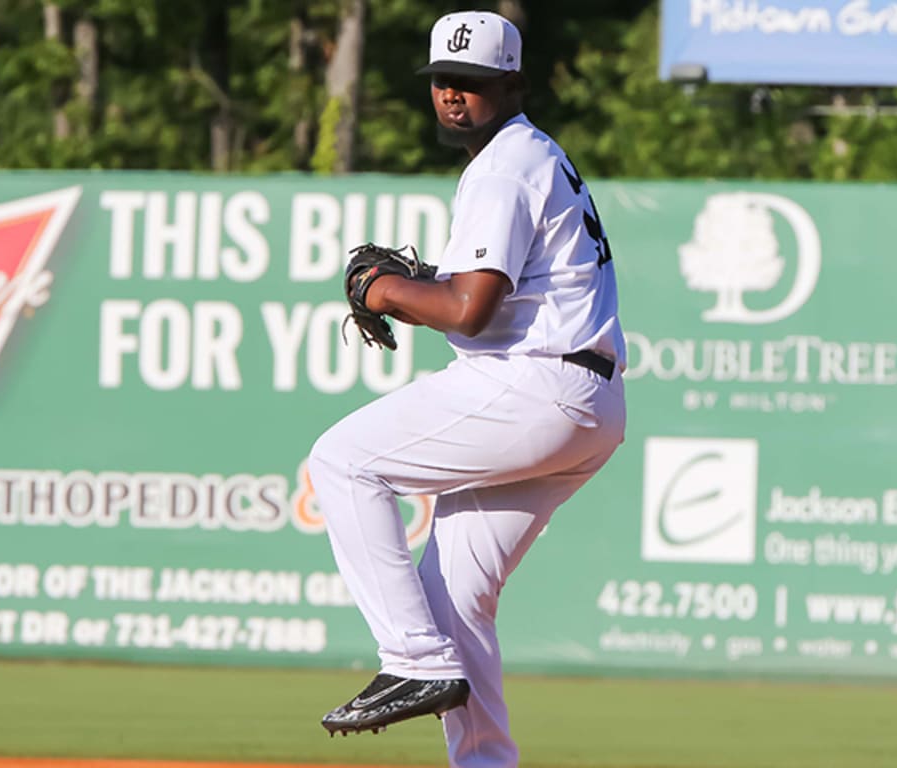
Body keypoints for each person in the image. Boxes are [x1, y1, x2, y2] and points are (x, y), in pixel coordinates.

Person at [308, 9, 626, 767]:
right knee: (454, 596)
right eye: (443, 80)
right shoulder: (533, 156)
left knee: (343, 460)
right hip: (584, 399)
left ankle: (412, 659)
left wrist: (384, 289)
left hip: (536, 384)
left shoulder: (504, 166)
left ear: (513, 84)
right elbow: (482, 295)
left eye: (472, 81)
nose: (453, 93)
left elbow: (469, 311)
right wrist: (420, 283)